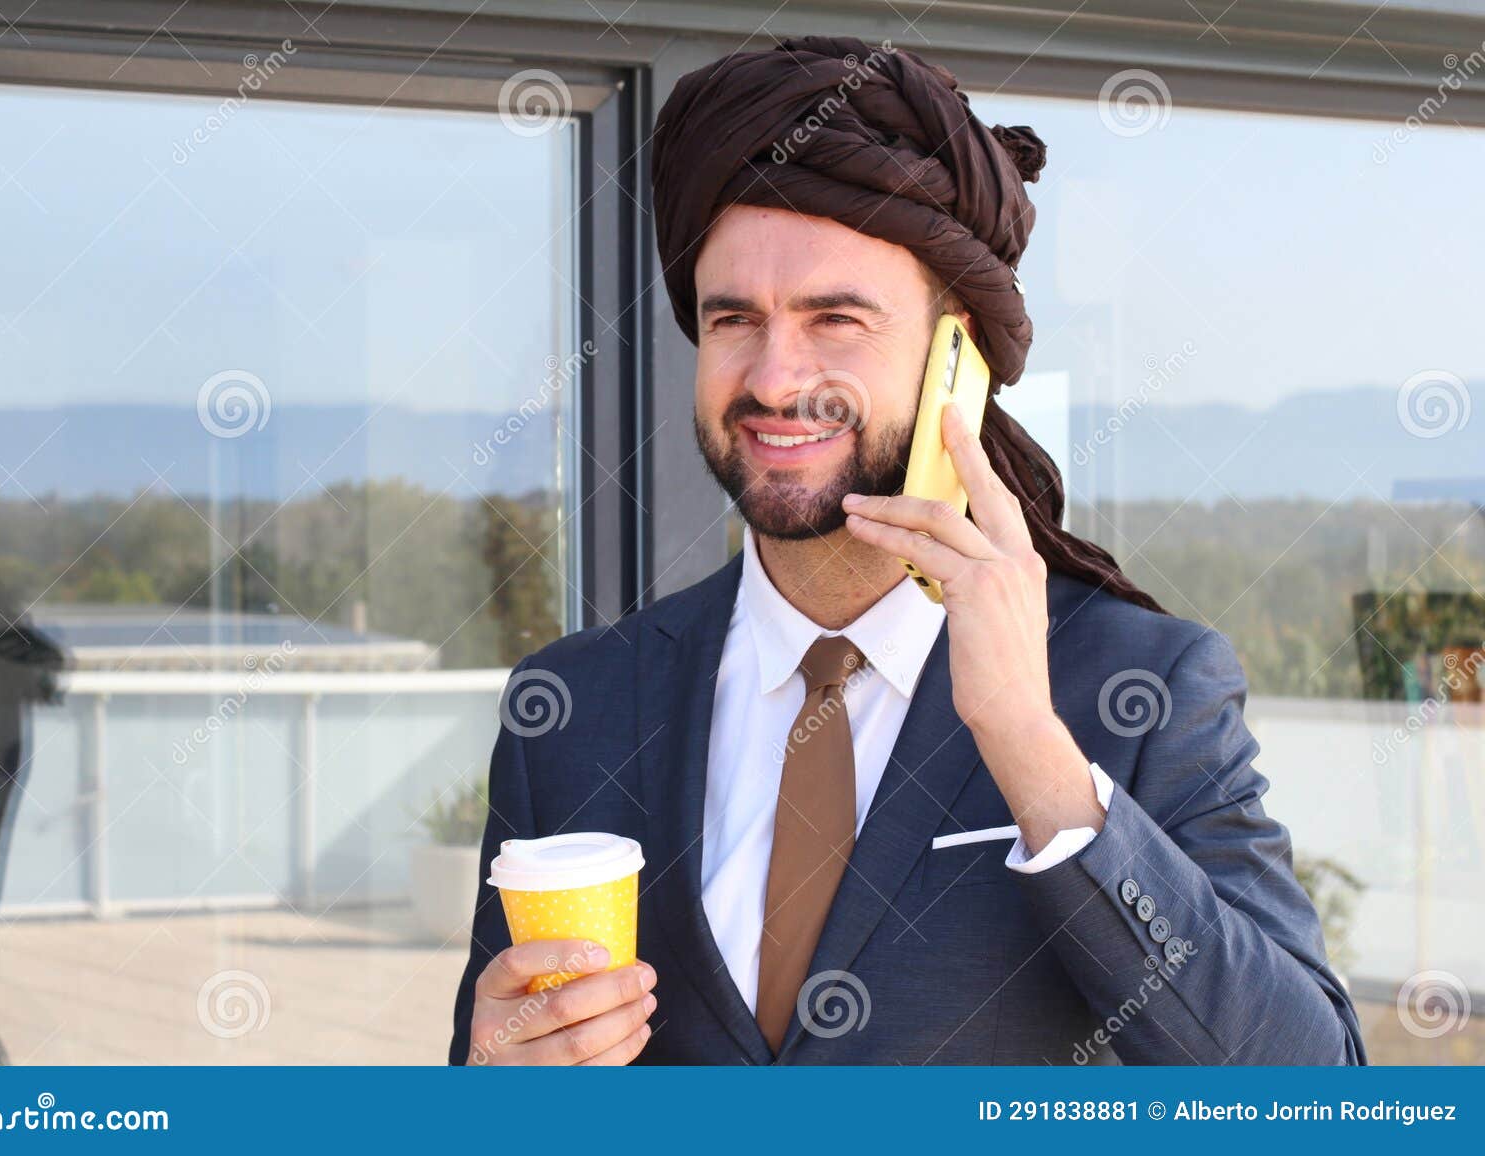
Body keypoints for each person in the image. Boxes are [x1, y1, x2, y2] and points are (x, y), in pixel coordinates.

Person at [448, 35, 1365, 1066]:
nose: (775, 376)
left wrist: (1027, 740)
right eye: (732, 319)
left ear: (955, 358)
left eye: (835, 318)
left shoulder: (1138, 689)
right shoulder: (568, 711)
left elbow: (1313, 1087)